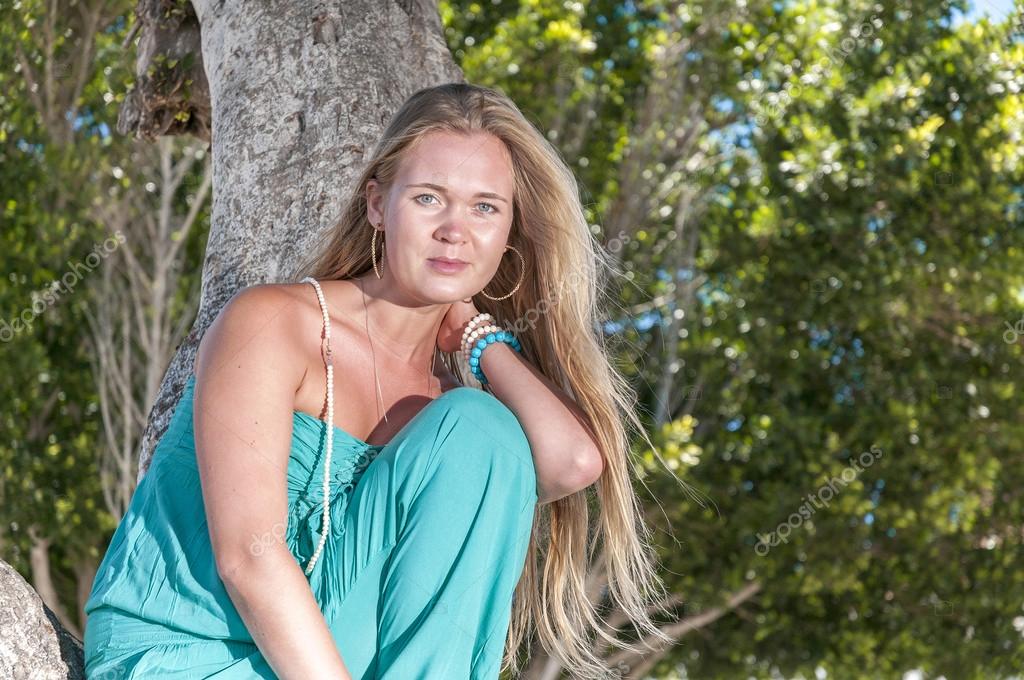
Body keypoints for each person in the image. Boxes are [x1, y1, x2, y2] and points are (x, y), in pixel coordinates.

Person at [83, 82, 673, 679]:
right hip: (187, 650)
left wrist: (478, 337)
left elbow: (572, 462)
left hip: (326, 656)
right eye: (428, 198)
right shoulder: (275, 324)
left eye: (485, 207)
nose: (454, 230)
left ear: (509, 233)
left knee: (481, 426)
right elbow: (248, 557)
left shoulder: (448, 415)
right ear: (376, 204)